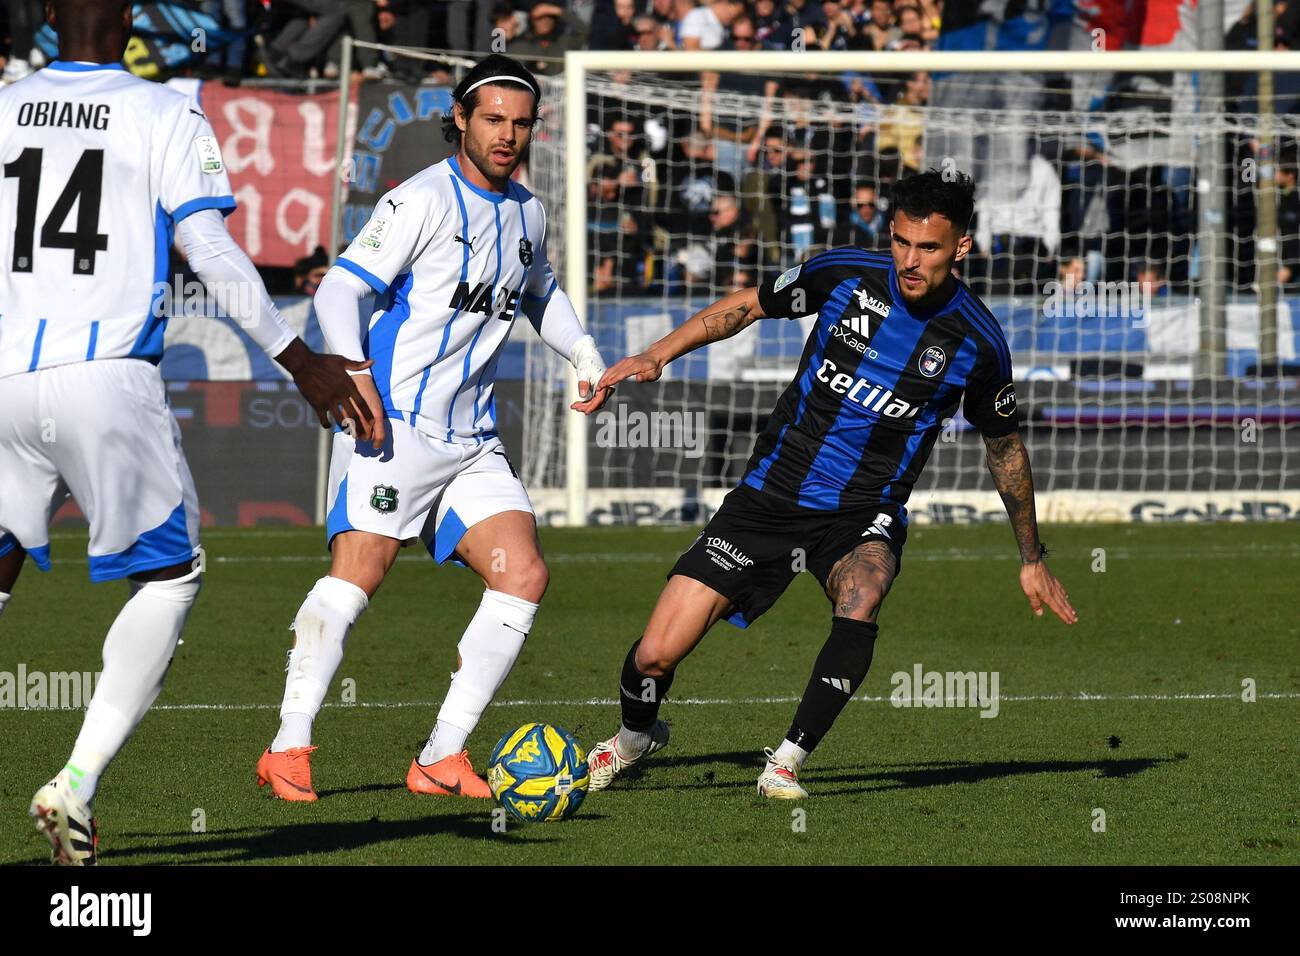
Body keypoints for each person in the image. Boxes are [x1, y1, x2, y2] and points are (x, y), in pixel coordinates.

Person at [0, 0, 375, 865]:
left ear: (49, 13)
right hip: (106, 380)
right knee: (171, 576)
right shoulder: (166, 108)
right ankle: (77, 784)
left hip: (9, 378)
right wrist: (299, 357)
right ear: (129, 14)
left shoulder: (9, 104)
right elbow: (206, 249)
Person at [585, 168, 1078, 799]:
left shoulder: (978, 342)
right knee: (656, 654)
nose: (910, 259)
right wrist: (658, 353)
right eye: (901, 242)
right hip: (770, 496)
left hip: (861, 514)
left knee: (864, 593)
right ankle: (634, 738)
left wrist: (1031, 558)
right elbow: (748, 306)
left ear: (961, 248)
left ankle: (785, 762)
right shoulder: (843, 273)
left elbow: (1004, 446)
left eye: (928, 248)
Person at [255, 53, 612, 802]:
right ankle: (287, 748)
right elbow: (338, 293)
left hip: (473, 437)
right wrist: (353, 374)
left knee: (524, 577)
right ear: (460, 118)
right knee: (358, 577)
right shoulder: (418, 200)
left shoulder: (529, 211)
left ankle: (440, 756)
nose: (507, 135)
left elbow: (540, 291)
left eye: (520, 123)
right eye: (492, 120)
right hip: (397, 423)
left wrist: (580, 349)